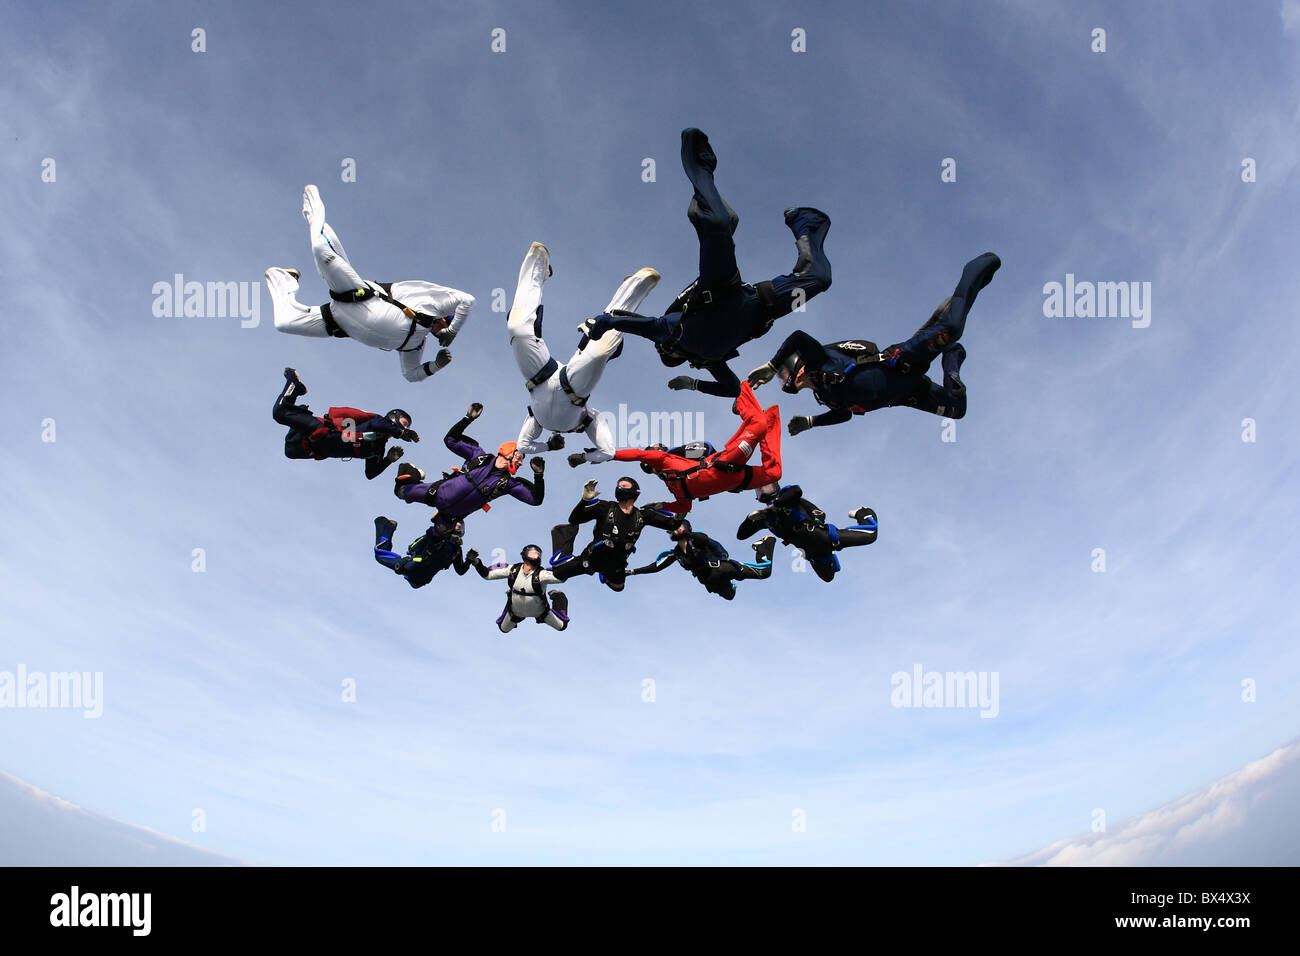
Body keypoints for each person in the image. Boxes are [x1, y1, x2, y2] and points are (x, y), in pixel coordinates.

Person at [581, 128, 832, 397]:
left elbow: (632, 323)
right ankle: (807, 224)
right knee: (819, 278)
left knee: (717, 222)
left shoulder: (667, 331)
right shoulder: (709, 361)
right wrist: (694, 383)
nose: (675, 354)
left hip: (719, 288)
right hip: (764, 305)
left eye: (670, 355)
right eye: (675, 358)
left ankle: (702, 168)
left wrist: (602, 323)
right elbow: (734, 389)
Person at [748, 252, 1001, 432]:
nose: (783, 379)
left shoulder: (818, 360)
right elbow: (844, 416)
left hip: (900, 362)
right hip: (910, 393)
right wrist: (811, 422)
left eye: (783, 374)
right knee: (957, 410)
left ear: (798, 367)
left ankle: (972, 274)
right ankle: (953, 359)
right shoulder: (826, 397)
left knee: (952, 329)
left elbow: (798, 337)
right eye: (780, 376)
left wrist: (771, 365)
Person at [265, 185, 475, 382]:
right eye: (445, 323)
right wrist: (454, 330)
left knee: (284, 322)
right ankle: (312, 211)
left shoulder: (415, 343)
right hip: (354, 295)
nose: (441, 329)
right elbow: (467, 300)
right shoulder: (428, 304)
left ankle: (283, 278)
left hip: (340, 322)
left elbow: (410, 374)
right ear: (444, 318)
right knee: (322, 251)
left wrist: (436, 366)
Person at [504, 242, 660, 466]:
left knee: (517, 328)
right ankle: (636, 287)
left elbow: (522, 446)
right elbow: (607, 451)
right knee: (601, 349)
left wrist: (549, 446)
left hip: (539, 377)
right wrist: (584, 457)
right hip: (574, 388)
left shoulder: (535, 421)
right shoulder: (589, 418)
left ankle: (538, 269)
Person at [609, 382, 781, 514]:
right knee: (774, 473)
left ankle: (742, 393)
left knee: (759, 424)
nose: (653, 467)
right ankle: (771, 417)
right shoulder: (673, 486)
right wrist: (661, 506)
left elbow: (639, 454)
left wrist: (611, 454)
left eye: (656, 450)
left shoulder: (667, 459)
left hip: (727, 462)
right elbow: (684, 508)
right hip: (736, 479)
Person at [392, 402, 545, 536]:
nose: (520, 463)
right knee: (400, 491)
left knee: (441, 538)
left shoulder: (507, 483)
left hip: (449, 516)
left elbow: (535, 500)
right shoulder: (479, 456)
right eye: (519, 457)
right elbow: (450, 440)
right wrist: (468, 419)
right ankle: (411, 471)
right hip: (437, 494)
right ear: (507, 451)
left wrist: (538, 475)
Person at [272, 368, 415, 479]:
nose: (405, 427)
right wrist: (401, 433)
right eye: (404, 423)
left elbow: (370, 474)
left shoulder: (378, 448)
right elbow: (379, 426)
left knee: (289, 451)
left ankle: (299, 415)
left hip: (315, 447)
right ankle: (293, 383)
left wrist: (388, 460)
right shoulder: (377, 421)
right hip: (322, 430)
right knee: (279, 412)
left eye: (407, 426)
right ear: (394, 417)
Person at [548, 477, 679, 591]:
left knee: (619, 587)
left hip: (615, 565)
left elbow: (674, 524)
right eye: (618, 485)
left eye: (624, 485)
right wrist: (584, 500)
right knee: (558, 573)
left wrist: (675, 503)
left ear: (635, 491)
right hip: (592, 560)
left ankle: (605, 575)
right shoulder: (605, 507)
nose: (619, 487)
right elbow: (574, 519)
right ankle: (564, 533)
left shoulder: (643, 515)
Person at [737, 483, 877, 583]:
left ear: (775, 486)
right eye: (759, 490)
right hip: (812, 553)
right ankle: (830, 557)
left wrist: (778, 504)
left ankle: (863, 512)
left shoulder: (787, 497)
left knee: (871, 535)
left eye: (766, 486)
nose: (762, 490)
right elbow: (741, 535)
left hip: (824, 536)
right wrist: (749, 519)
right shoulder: (766, 518)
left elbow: (797, 491)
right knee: (828, 577)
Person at [630, 520, 776, 601]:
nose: (674, 530)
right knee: (730, 596)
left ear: (686, 528)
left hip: (722, 568)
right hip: (710, 581)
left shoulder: (697, 539)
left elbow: (704, 539)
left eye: (678, 526)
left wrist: (686, 533)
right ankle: (730, 586)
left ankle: (764, 545)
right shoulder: (676, 553)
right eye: (672, 528)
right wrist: (631, 572)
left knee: (764, 572)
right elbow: (656, 566)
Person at [473, 544, 570, 633]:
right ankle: (510, 597)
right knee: (503, 629)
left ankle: (558, 596)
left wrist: (579, 565)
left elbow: (560, 577)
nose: (537, 553)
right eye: (534, 551)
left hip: (540, 611)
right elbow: (487, 575)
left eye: (539, 553)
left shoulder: (542, 574)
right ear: (525, 554)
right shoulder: (512, 570)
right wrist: (476, 562)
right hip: (516, 611)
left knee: (562, 626)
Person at [372, 516, 475, 589]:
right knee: (380, 556)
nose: (459, 525)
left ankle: (386, 527)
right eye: (457, 522)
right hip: (416, 566)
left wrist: (469, 559)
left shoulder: (456, 549)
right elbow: (412, 548)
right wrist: (437, 533)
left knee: (382, 557)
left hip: (423, 578)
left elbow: (460, 570)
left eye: (461, 524)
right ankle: (386, 526)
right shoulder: (438, 536)